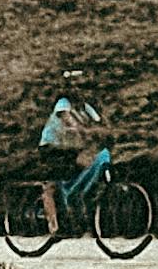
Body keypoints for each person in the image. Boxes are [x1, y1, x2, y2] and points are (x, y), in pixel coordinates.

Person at [36, 75, 109, 240]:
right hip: (51, 147)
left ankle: (75, 211)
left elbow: (100, 124)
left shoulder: (85, 107)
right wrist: (82, 131)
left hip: (71, 148)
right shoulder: (63, 103)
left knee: (83, 172)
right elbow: (68, 121)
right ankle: (54, 225)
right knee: (54, 184)